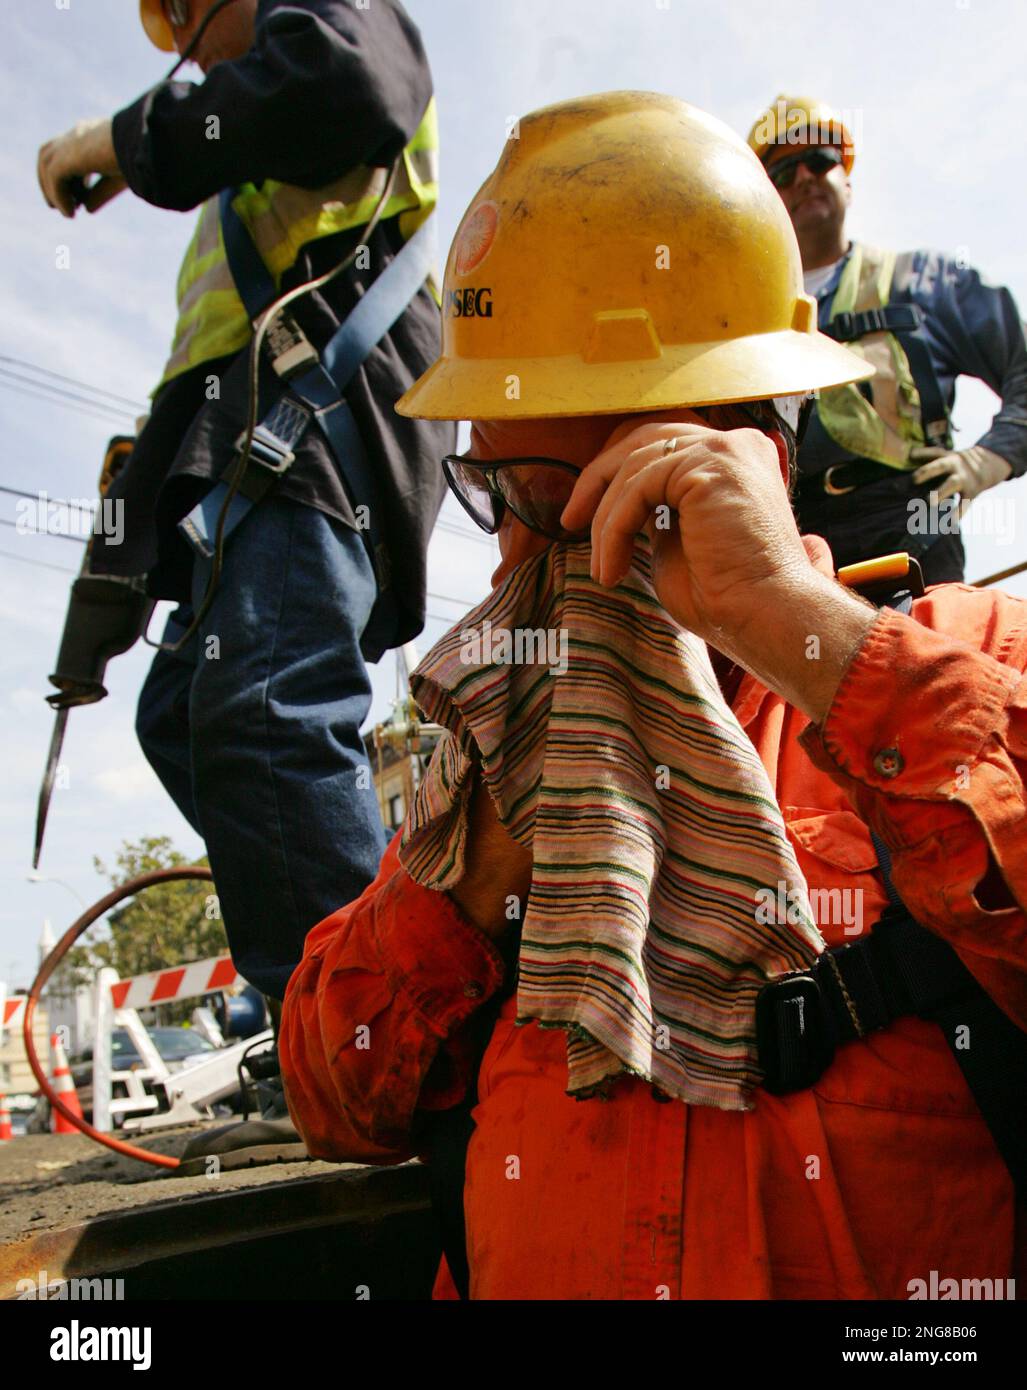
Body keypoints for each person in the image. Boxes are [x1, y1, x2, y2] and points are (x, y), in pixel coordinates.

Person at [278, 92, 1027, 1299]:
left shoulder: (964, 660)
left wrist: (805, 633)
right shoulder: (503, 759)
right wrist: (463, 879)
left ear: (748, 471)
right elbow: (334, 1095)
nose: (504, 567)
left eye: (537, 502)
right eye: (489, 496)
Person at [36, 0, 455, 1095]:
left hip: (328, 430)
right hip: (258, 453)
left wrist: (121, 144)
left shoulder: (338, 28)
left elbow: (337, 84)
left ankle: (381, 1064)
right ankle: (331, 1021)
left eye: (186, 15)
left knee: (263, 712)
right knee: (181, 712)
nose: (184, 43)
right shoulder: (240, 208)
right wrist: (109, 591)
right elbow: (184, 402)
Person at [747, 95, 1027, 583]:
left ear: (847, 182)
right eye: (784, 173)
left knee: (917, 659)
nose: (805, 177)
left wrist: (988, 459)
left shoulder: (922, 283)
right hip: (790, 548)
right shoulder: (745, 323)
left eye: (820, 160)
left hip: (909, 528)